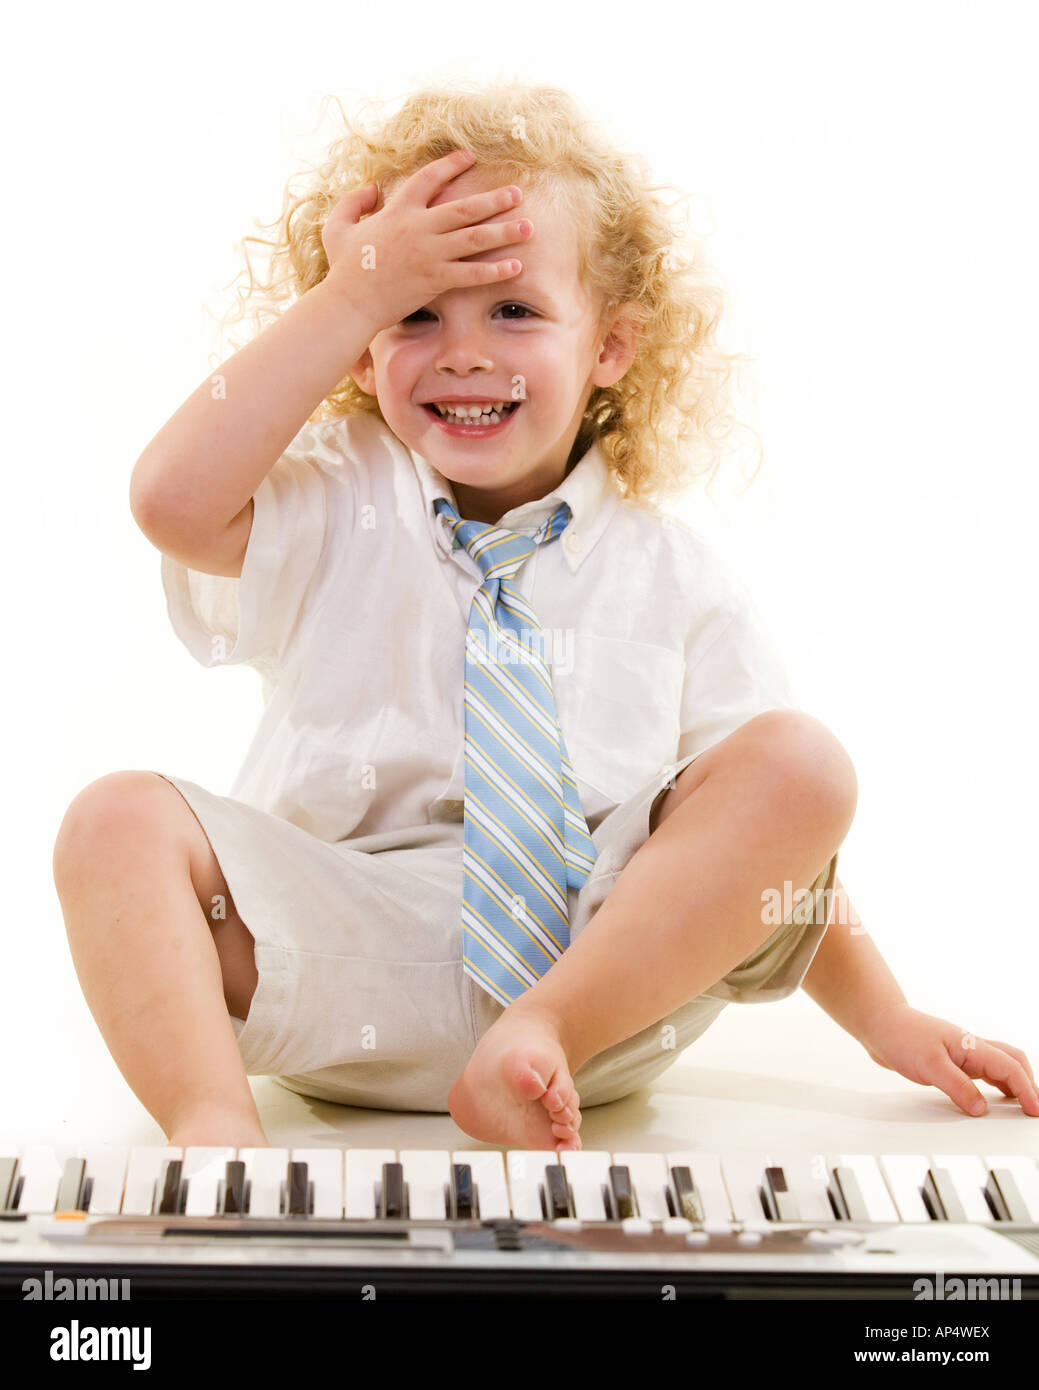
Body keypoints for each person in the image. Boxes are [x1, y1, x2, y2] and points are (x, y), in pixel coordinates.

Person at [52, 82, 1038, 1156]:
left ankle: (535, 1035)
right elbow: (170, 503)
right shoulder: (331, 500)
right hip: (336, 962)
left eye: (512, 311)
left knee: (800, 764)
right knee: (113, 821)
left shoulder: (673, 575)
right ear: (361, 352)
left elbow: (777, 854)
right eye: (414, 313)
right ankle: (213, 1134)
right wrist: (351, 293)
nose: (464, 353)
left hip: (596, 984)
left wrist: (888, 1019)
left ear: (611, 344)